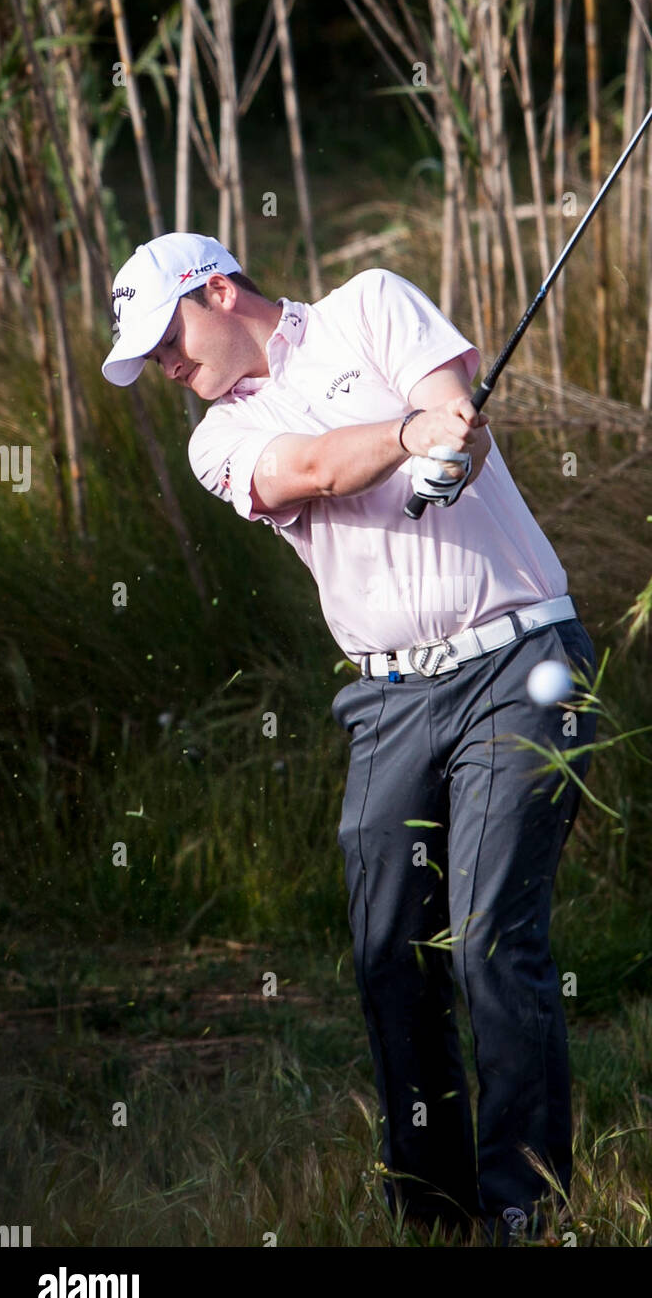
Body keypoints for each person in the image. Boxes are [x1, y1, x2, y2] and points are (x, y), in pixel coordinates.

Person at [102, 231, 598, 1246]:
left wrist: (450, 439)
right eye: (148, 357)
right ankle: (431, 1210)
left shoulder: (368, 303)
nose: (166, 366)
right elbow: (315, 468)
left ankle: (522, 1210)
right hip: (389, 698)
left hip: (520, 660)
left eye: (166, 339)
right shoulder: (217, 440)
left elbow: (458, 417)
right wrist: (413, 435)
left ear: (218, 290)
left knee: (491, 939)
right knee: (388, 955)